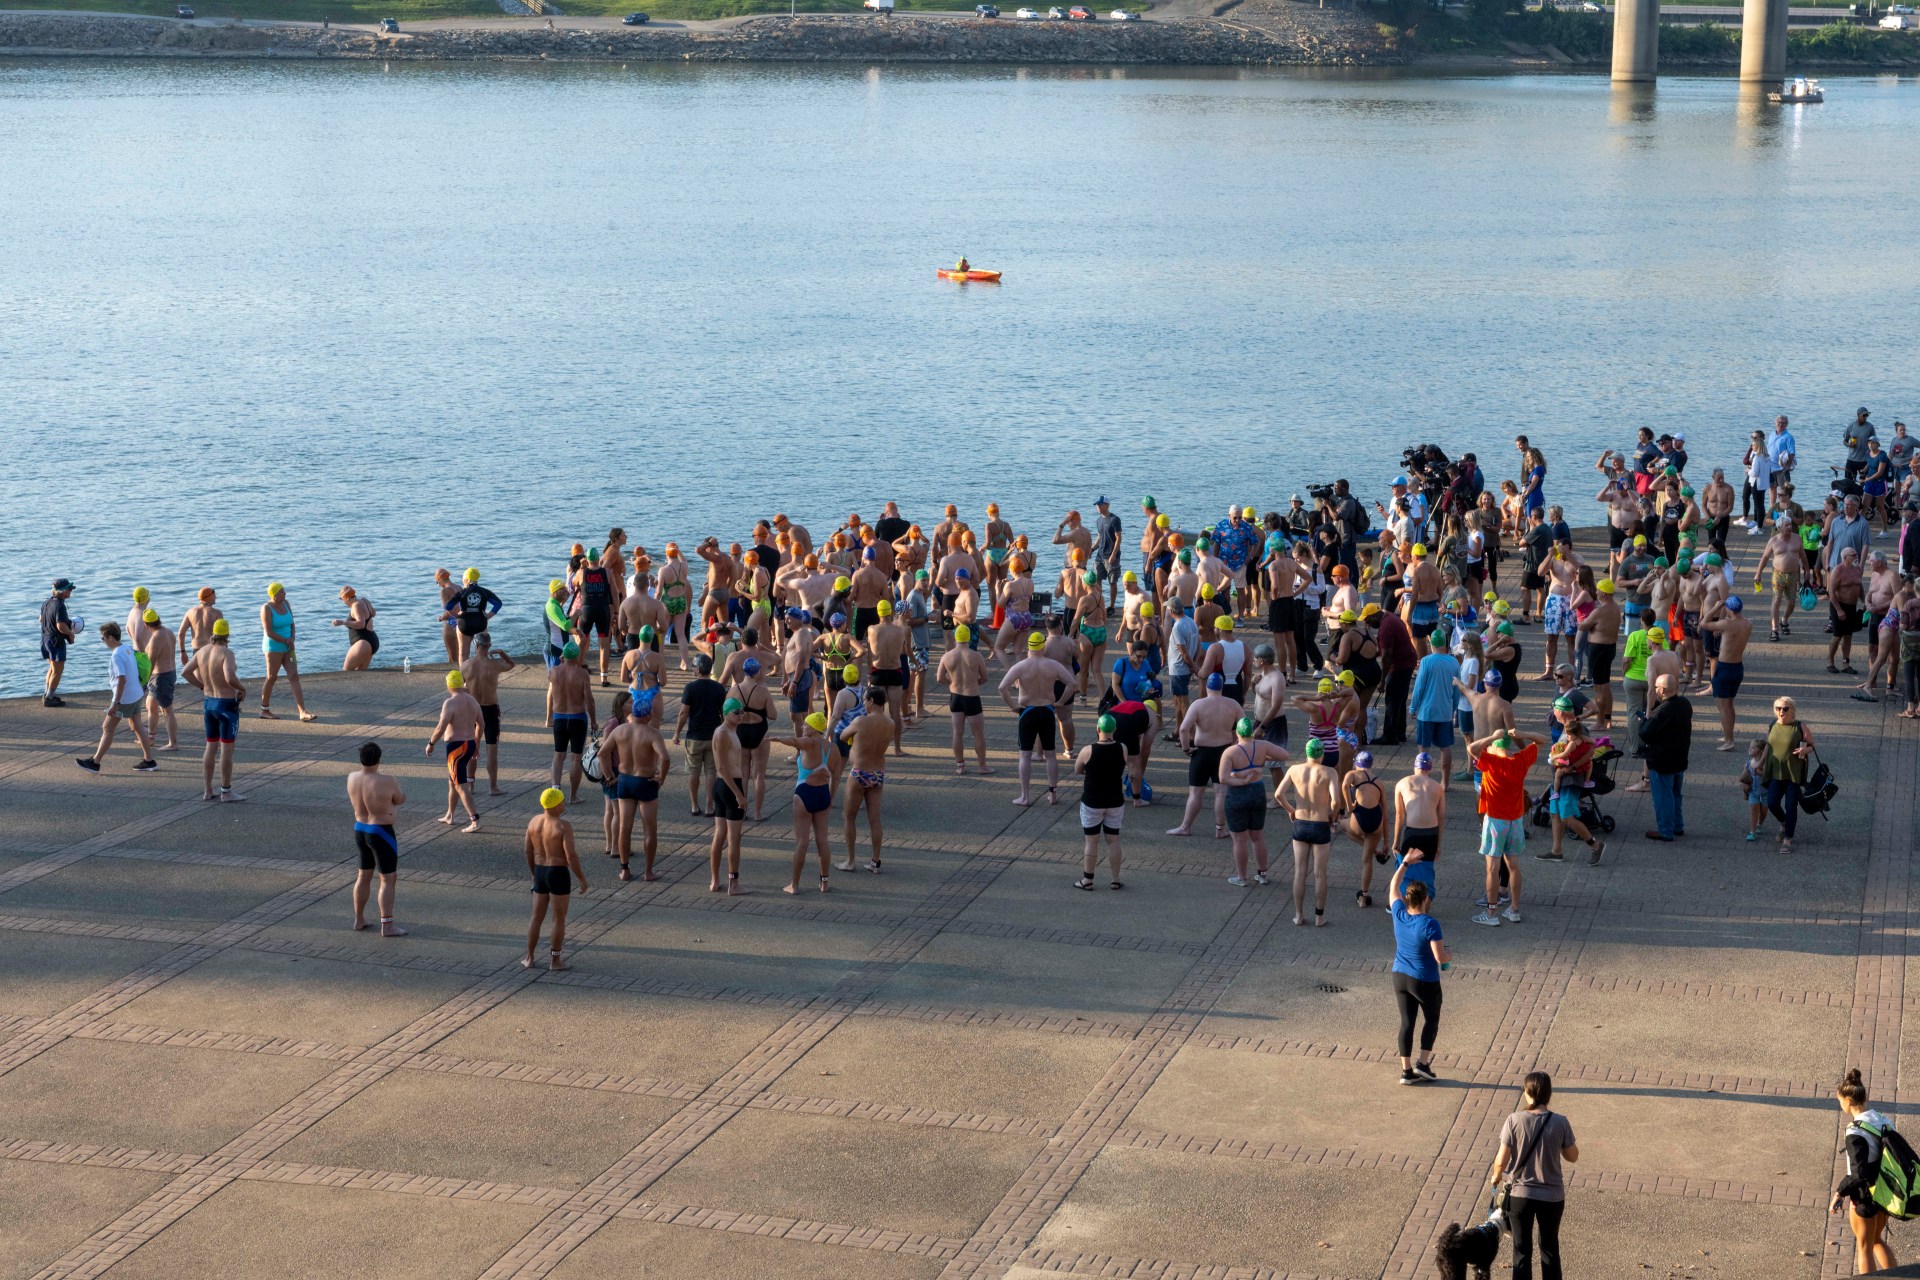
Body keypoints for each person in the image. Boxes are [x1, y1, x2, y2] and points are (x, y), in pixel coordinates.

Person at [1489, 1072, 1578, 1280]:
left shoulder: (1514, 1120)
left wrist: (1496, 1176)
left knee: (1521, 1251)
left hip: (1520, 1196)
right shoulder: (1560, 1122)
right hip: (1552, 1197)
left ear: (1528, 1093)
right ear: (1548, 1094)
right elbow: (1572, 1156)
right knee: (1549, 1248)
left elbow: (1501, 1160)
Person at [1467, 728, 1545, 927]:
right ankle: (1514, 910)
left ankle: (1491, 912)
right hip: (1515, 820)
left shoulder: (1491, 762)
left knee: (1492, 868)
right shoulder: (1519, 760)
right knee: (1513, 866)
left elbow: (1471, 748)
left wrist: (1491, 736)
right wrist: (1522, 734)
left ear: (1494, 747)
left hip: (1495, 821)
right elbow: (1542, 740)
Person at [1833, 1068, 1903, 1275]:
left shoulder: (1854, 1131)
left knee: (1864, 1248)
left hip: (1864, 1198)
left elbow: (1858, 1174)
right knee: (1876, 1240)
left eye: (1840, 1101)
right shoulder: (1882, 1119)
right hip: (1884, 1192)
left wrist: (1839, 1193)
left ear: (1847, 1100)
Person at [1389, 852, 1449, 1085]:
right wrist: (1450, 955)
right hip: (1424, 980)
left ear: (1407, 898)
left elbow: (1393, 885)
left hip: (1399, 976)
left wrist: (1404, 863)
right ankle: (1423, 1063)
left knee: (1407, 1023)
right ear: (1425, 900)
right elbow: (1439, 957)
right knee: (1431, 1019)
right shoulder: (1430, 924)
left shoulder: (1399, 914)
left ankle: (1406, 1071)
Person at [999, 633, 1076, 808]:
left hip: (1027, 712)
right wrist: (1061, 701)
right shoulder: (1053, 665)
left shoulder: (1021, 666)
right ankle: (1053, 794)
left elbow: (1002, 687)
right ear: (1042, 647)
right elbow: (1072, 684)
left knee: (1025, 755)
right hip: (1048, 711)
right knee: (1050, 755)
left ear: (1029, 647)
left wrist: (1012, 706)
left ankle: (1025, 796)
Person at [604, 687, 670, 882]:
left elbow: (602, 753)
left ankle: (625, 870)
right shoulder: (652, 733)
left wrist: (609, 775)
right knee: (650, 829)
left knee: (625, 827)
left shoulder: (620, 730)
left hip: (625, 780)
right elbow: (665, 758)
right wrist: (661, 778)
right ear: (649, 714)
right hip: (645, 781)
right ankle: (648, 872)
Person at [75, 622, 157, 774]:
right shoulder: (126, 648)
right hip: (136, 694)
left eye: (103, 637)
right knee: (138, 726)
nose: (102, 640)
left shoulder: (117, 655)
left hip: (125, 699)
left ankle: (95, 762)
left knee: (107, 728)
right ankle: (149, 760)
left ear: (110, 637)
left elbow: (121, 680)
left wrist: (115, 703)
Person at [1276, 737, 1341, 926]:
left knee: (1299, 872)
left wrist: (1291, 810)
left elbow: (1279, 794)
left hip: (1301, 824)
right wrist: (1332, 815)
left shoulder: (1294, 770)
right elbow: (1336, 801)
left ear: (1306, 753)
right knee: (1320, 873)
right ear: (1322, 754)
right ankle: (1319, 916)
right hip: (1320, 824)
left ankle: (1299, 915)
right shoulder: (1329, 772)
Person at [1168, 672, 1241, 838]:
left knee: (1195, 793)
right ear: (1222, 686)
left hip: (1201, 752)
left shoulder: (1198, 705)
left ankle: (1185, 827)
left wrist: (1186, 748)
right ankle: (1220, 829)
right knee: (1221, 793)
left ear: (1207, 686)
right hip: (1224, 752)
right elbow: (1245, 727)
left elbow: (1184, 729)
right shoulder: (1233, 704)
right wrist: (1236, 745)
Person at [1219, 714, 1287, 888]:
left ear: (1238, 733)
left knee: (1239, 840)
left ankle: (1242, 878)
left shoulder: (1230, 752)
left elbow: (1223, 778)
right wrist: (1263, 759)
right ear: (1251, 732)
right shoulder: (1262, 745)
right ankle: (1262, 874)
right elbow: (1284, 754)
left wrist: (1241, 779)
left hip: (1237, 796)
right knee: (1258, 836)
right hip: (1257, 792)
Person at [347, 741, 407, 937]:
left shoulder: (352, 777)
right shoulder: (387, 779)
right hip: (380, 831)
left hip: (360, 828)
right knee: (388, 878)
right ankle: (387, 925)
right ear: (379, 759)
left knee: (363, 875)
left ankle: (359, 919)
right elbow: (398, 799)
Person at [182, 617, 245, 802]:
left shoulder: (202, 651)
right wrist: (242, 688)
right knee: (226, 749)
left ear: (213, 634)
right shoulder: (226, 653)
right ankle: (226, 791)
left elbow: (185, 672)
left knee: (211, 746)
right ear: (227, 635)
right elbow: (229, 676)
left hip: (209, 703)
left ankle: (208, 790)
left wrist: (202, 686)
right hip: (226, 705)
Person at [525, 788, 587, 971]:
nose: (564, 804)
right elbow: (571, 857)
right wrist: (582, 879)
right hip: (558, 873)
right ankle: (555, 960)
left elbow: (528, 851)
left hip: (540, 871)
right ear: (554, 805)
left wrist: (533, 873)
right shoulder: (563, 826)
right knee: (558, 919)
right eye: (561, 802)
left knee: (536, 917)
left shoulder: (533, 822)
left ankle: (529, 957)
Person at [772, 711, 834, 894]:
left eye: (806, 725)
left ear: (815, 729)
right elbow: (836, 777)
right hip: (823, 793)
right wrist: (831, 797)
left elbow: (795, 741)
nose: (803, 727)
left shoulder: (810, 742)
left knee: (802, 842)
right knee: (823, 841)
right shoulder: (833, 748)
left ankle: (794, 885)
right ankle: (824, 882)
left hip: (804, 794)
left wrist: (777, 739)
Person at [1541, 705, 1605, 864]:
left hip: (1571, 780)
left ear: (1561, 712)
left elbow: (1590, 752)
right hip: (1560, 779)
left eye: (1554, 709)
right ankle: (1556, 851)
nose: (1553, 712)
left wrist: (1573, 767)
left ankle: (1595, 845)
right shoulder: (1565, 728)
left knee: (1567, 817)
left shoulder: (1578, 728)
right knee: (1555, 813)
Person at [1074, 713, 1131, 890]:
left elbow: (1078, 770)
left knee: (1091, 841)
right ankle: (1115, 879)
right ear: (1114, 729)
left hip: (1092, 801)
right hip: (1115, 800)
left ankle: (1088, 880)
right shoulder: (1122, 748)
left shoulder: (1087, 750)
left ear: (1098, 729)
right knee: (1113, 839)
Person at [840, 686, 893, 873]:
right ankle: (875, 862)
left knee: (849, 817)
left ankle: (850, 860)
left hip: (859, 772)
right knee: (874, 820)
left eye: (864, 700)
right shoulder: (890, 723)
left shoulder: (861, 721)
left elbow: (843, 735)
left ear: (871, 701)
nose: (863, 703)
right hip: (878, 773)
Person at [1638, 672, 1692, 842]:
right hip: (1680, 757)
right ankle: (1677, 825)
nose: (1654, 690)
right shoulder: (1684, 704)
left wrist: (1644, 721)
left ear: (1661, 690)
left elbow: (1646, 734)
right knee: (1676, 794)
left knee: (1663, 797)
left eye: (1656, 688)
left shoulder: (1662, 711)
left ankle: (1665, 830)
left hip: (1662, 760)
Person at [427, 669, 483, 832]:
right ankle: (450, 815)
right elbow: (481, 724)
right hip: (469, 743)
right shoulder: (473, 701)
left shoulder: (450, 703)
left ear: (449, 685)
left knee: (460, 785)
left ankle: (475, 821)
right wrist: (476, 743)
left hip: (456, 748)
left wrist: (431, 743)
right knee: (453, 781)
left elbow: (441, 727)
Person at [1762, 694, 1817, 854]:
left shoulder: (1800, 726)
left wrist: (1805, 749)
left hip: (1793, 773)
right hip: (1775, 772)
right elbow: (1768, 746)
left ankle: (1787, 840)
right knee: (1772, 802)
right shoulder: (1773, 725)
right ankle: (1784, 822)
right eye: (1778, 708)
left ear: (1792, 710)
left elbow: (1812, 745)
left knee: (1790, 806)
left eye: (1785, 709)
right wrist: (1760, 763)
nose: (1781, 711)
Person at [674, 653, 727, 816]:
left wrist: (677, 733)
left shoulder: (690, 688)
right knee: (711, 772)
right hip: (713, 736)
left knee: (693, 772)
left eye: (693, 667)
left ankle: (694, 805)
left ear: (698, 669)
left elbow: (684, 713)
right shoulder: (719, 688)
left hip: (694, 736)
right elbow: (724, 712)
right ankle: (710, 806)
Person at [709, 698, 751, 893]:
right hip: (728, 786)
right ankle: (732, 884)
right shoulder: (723, 733)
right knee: (733, 839)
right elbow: (722, 767)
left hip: (725, 786)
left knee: (721, 835)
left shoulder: (732, 731)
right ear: (725, 714)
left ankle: (716, 880)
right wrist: (739, 795)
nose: (740, 715)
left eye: (742, 712)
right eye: (736, 712)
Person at [937, 625, 992, 774]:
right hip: (972, 697)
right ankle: (982, 766)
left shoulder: (947, 656)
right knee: (978, 734)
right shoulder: (976, 656)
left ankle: (960, 766)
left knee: (957, 733)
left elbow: (939, 678)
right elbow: (985, 677)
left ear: (955, 637)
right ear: (968, 637)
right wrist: (975, 683)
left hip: (955, 698)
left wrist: (951, 682)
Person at [545, 641, 596, 800]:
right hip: (577, 718)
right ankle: (573, 796)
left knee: (558, 755)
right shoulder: (582, 674)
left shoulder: (553, 672)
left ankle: (556, 790)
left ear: (563, 656)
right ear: (578, 655)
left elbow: (551, 695)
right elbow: (589, 700)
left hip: (559, 717)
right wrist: (593, 720)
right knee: (576, 757)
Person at [1409, 633, 1462, 785]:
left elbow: (1419, 688)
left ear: (1431, 645)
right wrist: (1453, 708)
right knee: (1445, 748)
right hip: (1445, 712)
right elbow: (1457, 689)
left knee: (1424, 748)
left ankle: (1423, 779)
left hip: (1426, 713)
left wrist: (1413, 707)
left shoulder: (1426, 661)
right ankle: (1445, 782)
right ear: (1445, 645)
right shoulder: (1453, 662)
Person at [1700, 595, 1751, 749]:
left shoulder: (1726, 624)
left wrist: (1716, 607)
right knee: (1729, 704)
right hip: (1737, 668)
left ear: (1729, 608)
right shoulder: (1748, 624)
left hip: (1724, 668)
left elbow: (1703, 623)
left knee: (1722, 706)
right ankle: (1729, 735)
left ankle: (1730, 741)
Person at [258, 582, 315, 722]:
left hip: (288, 644)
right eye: (282, 592)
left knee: (294, 675)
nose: (285, 594)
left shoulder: (286, 603)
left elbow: (292, 623)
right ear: (274, 595)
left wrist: (292, 638)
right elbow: (269, 632)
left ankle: (302, 711)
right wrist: (285, 640)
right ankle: (264, 710)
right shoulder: (266, 608)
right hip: (274, 646)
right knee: (271, 676)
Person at [1342, 748, 1387, 906]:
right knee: (1367, 861)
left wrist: (1350, 807)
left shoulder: (1353, 774)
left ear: (1356, 764)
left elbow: (1344, 785)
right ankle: (1363, 897)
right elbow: (1386, 815)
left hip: (1359, 819)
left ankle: (1373, 849)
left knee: (1341, 824)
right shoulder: (1379, 782)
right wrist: (1387, 843)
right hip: (1376, 821)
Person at [445, 568, 503, 662]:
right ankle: (480, 674)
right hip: (481, 623)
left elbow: (448, 606)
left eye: (463, 579)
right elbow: (498, 604)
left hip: (465, 623)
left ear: (467, 580)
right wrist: (488, 616)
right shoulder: (484, 591)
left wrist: (456, 615)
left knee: (463, 653)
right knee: (482, 653)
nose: (462, 581)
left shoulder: (462, 593)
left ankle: (464, 675)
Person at [142, 608, 180, 753]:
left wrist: (142, 681)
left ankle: (173, 743)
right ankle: (150, 738)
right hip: (167, 674)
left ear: (146, 624)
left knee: (167, 711)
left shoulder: (156, 637)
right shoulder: (168, 632)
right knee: (151, 706)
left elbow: (150, 663)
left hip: (161, 678)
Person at [40, 578, 78, 707]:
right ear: (63, 592)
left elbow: (41, 619)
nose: (71, 592)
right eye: (69, 589)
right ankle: (49, 698)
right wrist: (70, 633)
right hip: (56, 641)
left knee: (52, 668)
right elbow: (60, 625)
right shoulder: (60, 605)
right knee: (58, 670)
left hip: (45, 639)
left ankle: (47, 693)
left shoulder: (46, 603)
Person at [332, 587, 378, 671]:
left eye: (343, 599)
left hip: (363, 643)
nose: (344, 602)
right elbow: (373, 613)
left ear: (347, 598)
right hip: (372, 640)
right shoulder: (365, 601)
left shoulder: (355, 605)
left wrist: (343, 622)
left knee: (346, 672)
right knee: (360, 674)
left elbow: (361, 624)